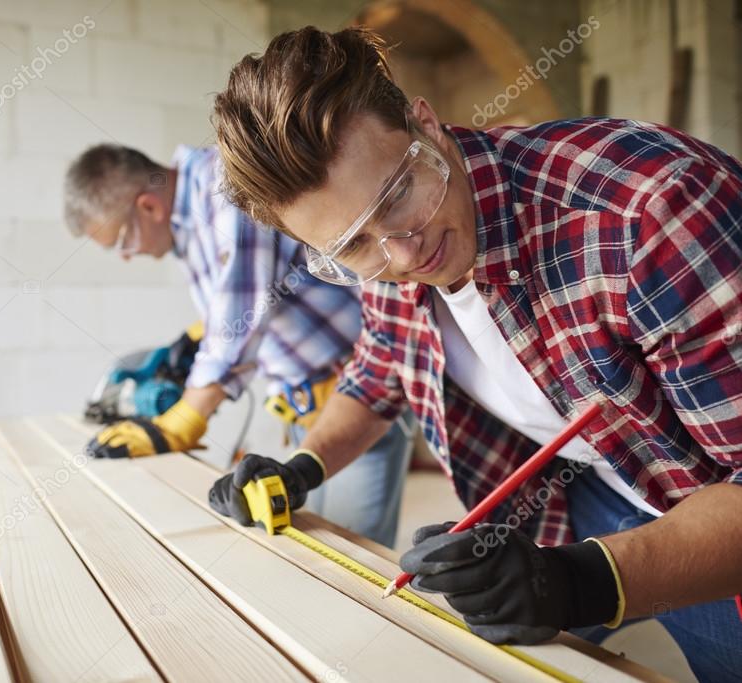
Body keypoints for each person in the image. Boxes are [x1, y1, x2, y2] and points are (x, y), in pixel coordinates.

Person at [206, 25, 742, 682]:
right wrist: (301, 467)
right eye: (352, 246)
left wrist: (578, 582)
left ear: (425, 124)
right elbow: (378, 377)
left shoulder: (649, 209)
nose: (402, 254)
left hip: (711, 508)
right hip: (582, 491)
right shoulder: (389, 257)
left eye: (397, 193)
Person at [62, 143, 415, 547]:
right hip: (304, 411)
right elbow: (246, 299)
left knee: (355, 554)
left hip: (363, 401)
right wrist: (194, 340)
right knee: (314, 546)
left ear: (148, 207)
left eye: (120, 243)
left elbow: (239, 315)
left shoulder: (224, 185)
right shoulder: (187, 222)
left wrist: (182, 421)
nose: (127, 257)